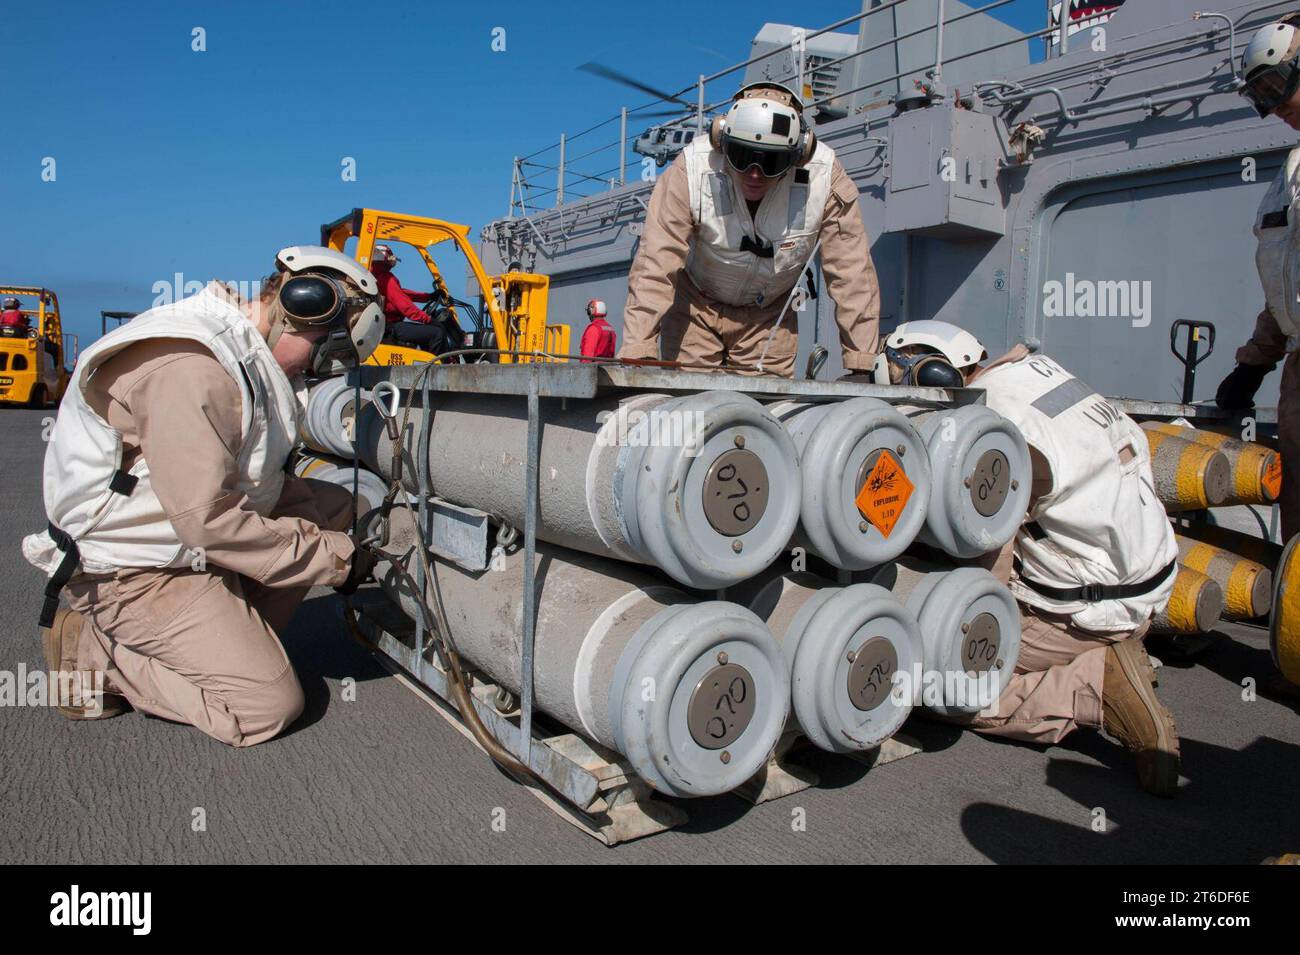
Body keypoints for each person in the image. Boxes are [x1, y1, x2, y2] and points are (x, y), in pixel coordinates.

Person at [23, 246, 384, 747]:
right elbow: (206, 521)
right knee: (266, 705)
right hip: (135, 570)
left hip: (174, 539)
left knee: (332, 506)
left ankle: (226, 639)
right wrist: (339, 562)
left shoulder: (242, 352)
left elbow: (245, 480)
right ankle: (93, 652)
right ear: (301, 306)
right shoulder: (192, 365)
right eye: (323, 351)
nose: (314, 371)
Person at [882, 321, 1182, 796]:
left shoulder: (995, 429)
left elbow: (988, 575)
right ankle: (1108, 654)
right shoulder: (1035, 371)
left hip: (1088, 611)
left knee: (946, 686)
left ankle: (1096, 687)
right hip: (1153, 580)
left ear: (931, 374)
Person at [617, 82, 880, 378]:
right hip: (696, 308)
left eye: (771, 161)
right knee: (692, 411)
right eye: (742, 157)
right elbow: (655, 263)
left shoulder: (824, 178)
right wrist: (639, 350)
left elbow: (851, 272)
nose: (754, 174)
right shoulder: (691, 168)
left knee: (764, 416)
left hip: (768, 317)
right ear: (722, 142)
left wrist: (862, 361)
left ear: (798, 155)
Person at [1217, 15, 1300, 542]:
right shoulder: (1290, 174)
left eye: (1276, 86)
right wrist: (1254, 363)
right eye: (1260, 95)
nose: (1272, 107)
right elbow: (1286, 287)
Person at [369, 243, 452, 352]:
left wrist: (429, 296)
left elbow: (402, 294)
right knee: (437, 333)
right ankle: (439, 367)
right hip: (391, 328)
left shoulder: (375, 277)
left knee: (427, 333)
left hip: (383, 327)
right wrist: (428, 320)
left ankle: (427, 362)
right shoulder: (386, 278)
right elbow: (405, 306)